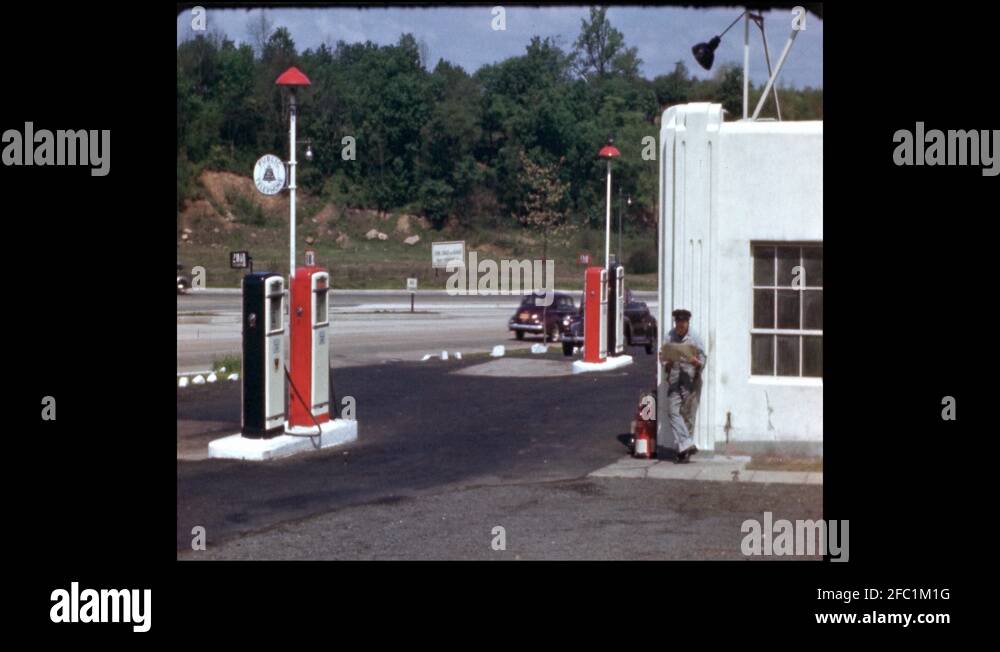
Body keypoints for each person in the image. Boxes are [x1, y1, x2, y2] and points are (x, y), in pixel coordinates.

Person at [663, 309, 706, 463]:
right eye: (678, 323)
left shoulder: (695, 338)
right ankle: (687, 444)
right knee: (673, 412)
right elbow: (662, 356)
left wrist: (697, 363)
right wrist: (666, 361)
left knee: (687, 414)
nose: (680, 326)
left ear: (688, 323)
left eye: (683, 323)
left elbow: (703, 357)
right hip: (674, 379)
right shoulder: (670, 336)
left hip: (690, 380)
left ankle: (684, 452)